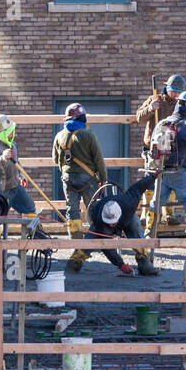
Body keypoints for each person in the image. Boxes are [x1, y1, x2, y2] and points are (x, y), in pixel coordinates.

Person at [52, 103, 108, 269]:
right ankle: (92, 242)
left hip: (67, 178)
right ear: (82, 118)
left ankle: (76, 243)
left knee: (72, 210)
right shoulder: (88, 135)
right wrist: (103, 179)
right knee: (94, 210)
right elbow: (99, 160)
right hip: (87, 179)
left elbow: (56, 160)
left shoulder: (59, 136)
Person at [79, 173, 158, 277]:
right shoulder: (99, 220)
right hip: (102, 223)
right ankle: (75, 261)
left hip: (127, 217)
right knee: (88, 242)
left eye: (113, 223)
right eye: (110, 223)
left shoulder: (129, 202)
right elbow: (107, 247)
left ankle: (145, 264)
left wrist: (153, 177)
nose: (112, 225)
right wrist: (121, 264)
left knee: (138, 237)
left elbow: (139, 186)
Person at [148, 89, 186, 219]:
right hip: (178, 172)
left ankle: (149, 232)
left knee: (156, 202)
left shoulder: (161, 123)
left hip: (160, 172)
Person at [0, 115, 35, 218]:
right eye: (10, 131)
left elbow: (15, 161)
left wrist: (21, 173)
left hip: (14, 185)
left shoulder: (11, 144)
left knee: (29, 207)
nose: (13, 133)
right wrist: (3, 158)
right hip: (0, 190)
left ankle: (31, 232)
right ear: (4, 133)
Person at [135, 72, 186, 164]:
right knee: (152, 175)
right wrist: (150, 108)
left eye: (179, 92)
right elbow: (139, 118)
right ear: (167, 89)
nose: (176, 94)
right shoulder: (155, 99)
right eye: (174, 91)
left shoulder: (179, 105)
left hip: (171, 148)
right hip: (152, 147)